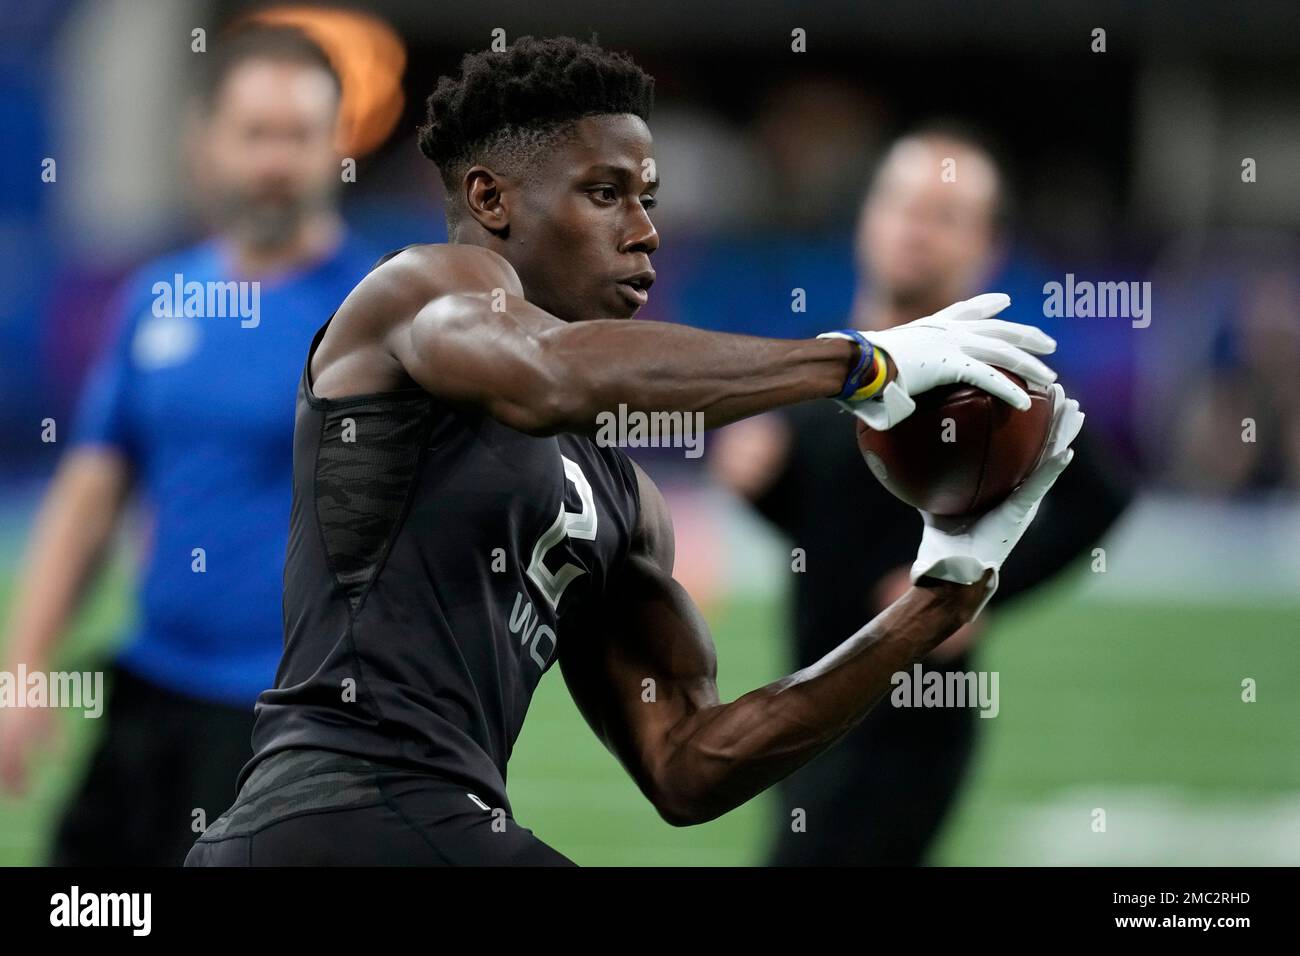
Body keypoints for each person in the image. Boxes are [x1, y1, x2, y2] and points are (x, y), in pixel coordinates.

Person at [185, 36, 1081, 867]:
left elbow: (690, 766)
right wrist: (857, 361)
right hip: (331, 816)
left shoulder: (621, 499)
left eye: (648, 200)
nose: (645, 231)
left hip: (432, 827)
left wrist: (941, 596)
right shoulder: (421, 288)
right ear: (492, 200)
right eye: (606, 193)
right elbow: (548, 376)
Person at [0, 25, 379, 865]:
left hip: (295, 724)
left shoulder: (382, 315)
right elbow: (91, 492)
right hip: (150, 696)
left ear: (336, 146)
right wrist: (25, 670)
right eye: (255, 133)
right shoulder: (157, 299)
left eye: (300, 135)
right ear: (205, 142)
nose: (276, 160)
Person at [711, 127, 1132, 865]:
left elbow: (1102, 500)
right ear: (867, 218)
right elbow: (825, 530)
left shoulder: (1001, 383)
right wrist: (761, 487)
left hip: (910, 716)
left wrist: (981, 594)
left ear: (988, 245)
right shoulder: (832, 362)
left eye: (943, 214)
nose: (914, 228)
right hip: (804, 694)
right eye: (900, 203)